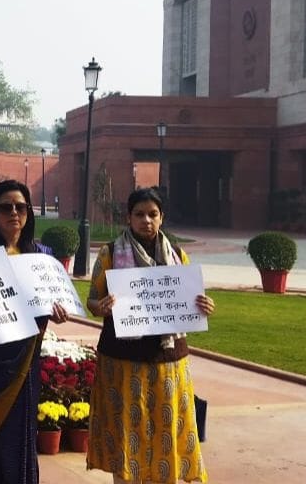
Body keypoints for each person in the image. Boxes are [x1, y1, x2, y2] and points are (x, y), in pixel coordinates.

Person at [86, 188, 215, 484]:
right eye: (139, 214)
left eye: (153, 214)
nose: (146, 220)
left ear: (162, 217)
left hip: (167, 358)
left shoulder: (178, 256)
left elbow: (191, 300)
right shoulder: (109, 254)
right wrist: (101, 307)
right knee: (125, 431)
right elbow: (92, 300)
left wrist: (204, 306)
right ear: (128, 218)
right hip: (122, 359)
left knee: (165, 426)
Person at [0, 180, 68, 484]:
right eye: (5, 207)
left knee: (19, 434)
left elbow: (49, 303)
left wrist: (57, 313)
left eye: (20, 207)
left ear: (29, 213)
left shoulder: (41, 256)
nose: (13, 213)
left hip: (24, 359)